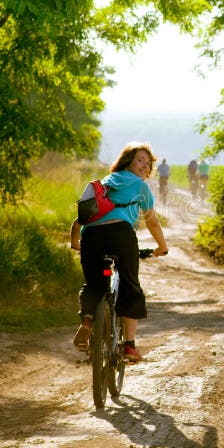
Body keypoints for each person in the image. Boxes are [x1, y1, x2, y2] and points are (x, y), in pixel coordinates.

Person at [72, 142, 169, 362]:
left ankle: (87, 320)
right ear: (128, 161)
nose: (145, 165)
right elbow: (152, 222)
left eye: (148, 162)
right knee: (130, 285)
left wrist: (76, 240)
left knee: (94, 284)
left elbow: (82, 216)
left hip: (91, 236)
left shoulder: (105, 182)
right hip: (120, 234)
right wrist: (162, 247)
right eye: (140, 160)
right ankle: (130, 347)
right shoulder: (140, 186)